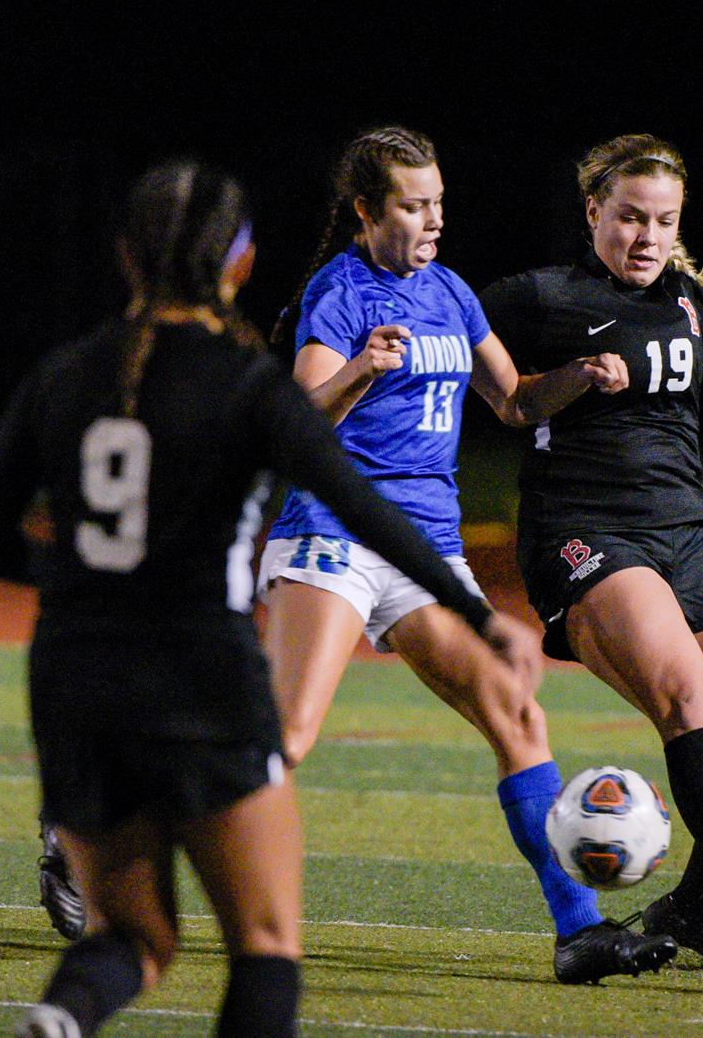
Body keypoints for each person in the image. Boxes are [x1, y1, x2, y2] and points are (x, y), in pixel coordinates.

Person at [0, 159, 541, 1038]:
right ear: (238, 263)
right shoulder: (244, 382)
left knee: (134, 938)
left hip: (74, 680)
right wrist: (478, 615)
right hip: (201, 672)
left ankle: (64, 1017)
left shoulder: (66, 372)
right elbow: (362, 509)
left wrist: (82, 583)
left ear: (126, 256)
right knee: (265, 947)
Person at [258, 125, 676, 985]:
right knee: (285, 738)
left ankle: (581, 932)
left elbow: (515, 402)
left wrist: (580, 376)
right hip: (333, 535)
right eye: (414, 205)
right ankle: (95, 831)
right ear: (369, 213)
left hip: (426, 551)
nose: (434, 219)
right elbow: (294, 429)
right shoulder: (340, 293)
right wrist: (355, 376)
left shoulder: (450, 293)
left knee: (516, 713)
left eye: (439, 202)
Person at [480, 134, 703, 971]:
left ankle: (691, 909)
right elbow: (458, 332)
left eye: (663, 221)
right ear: (593, 212)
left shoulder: (689, 305)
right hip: (587, 532)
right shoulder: (542, 297)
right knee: (691, 699)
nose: (645, 236)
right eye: (629, 217)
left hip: (687, 534)